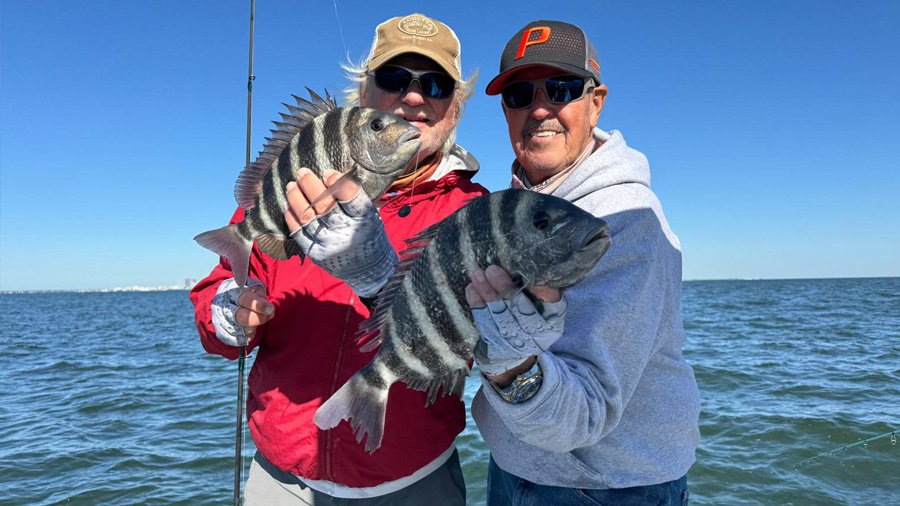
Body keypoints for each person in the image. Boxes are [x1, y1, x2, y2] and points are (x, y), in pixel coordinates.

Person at [190, 13, 486, 505]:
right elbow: (222, 290)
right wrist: (228, 314)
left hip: (414, 483)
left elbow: (465, 345)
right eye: (394, 79)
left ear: (453, 108)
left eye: (434, 84)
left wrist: (376, 273)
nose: (413, 97)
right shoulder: (294, 184)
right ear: (364, 91)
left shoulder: (473, 213)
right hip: (280, 480)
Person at [465, 20, 701, 505]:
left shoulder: (629, 223)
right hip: (513, 467)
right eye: (518, 94)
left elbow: (585, 414)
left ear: (596, 102)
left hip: (608, 488)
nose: (539, 108)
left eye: (563, 88)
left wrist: (508, 363)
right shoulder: (514, 206)